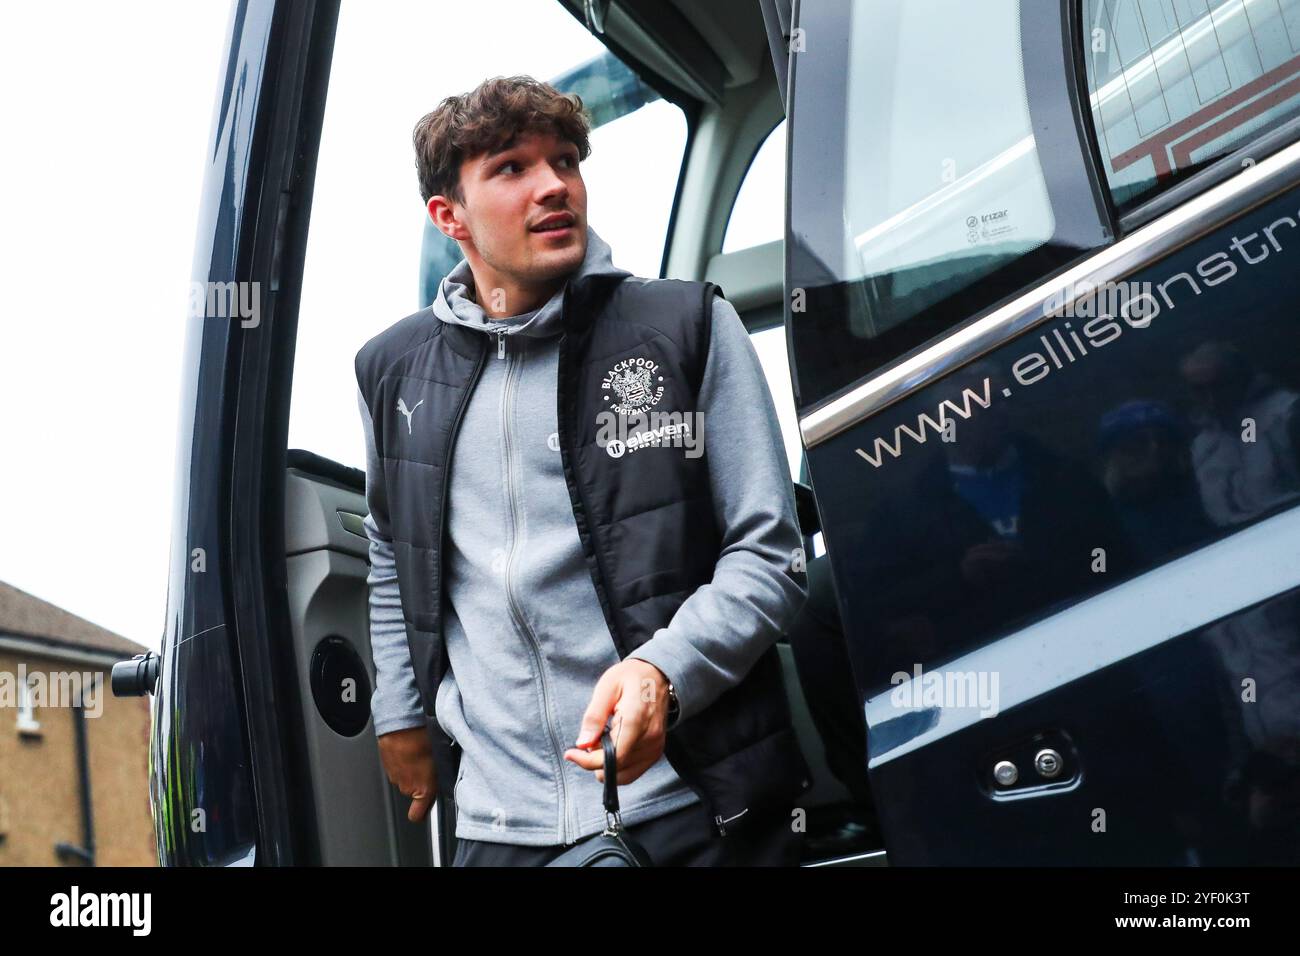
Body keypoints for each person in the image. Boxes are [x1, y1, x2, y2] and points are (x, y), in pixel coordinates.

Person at [353, 75, 811, 866]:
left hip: (692, 802)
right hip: (497, 831)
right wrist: (399, 714)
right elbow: (393, 555)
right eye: (511, 168)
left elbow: (770, 557)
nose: (554, 185)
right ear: (447, 215)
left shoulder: (687, 325)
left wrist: (663, 673)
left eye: (565, 160)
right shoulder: (392, 370)